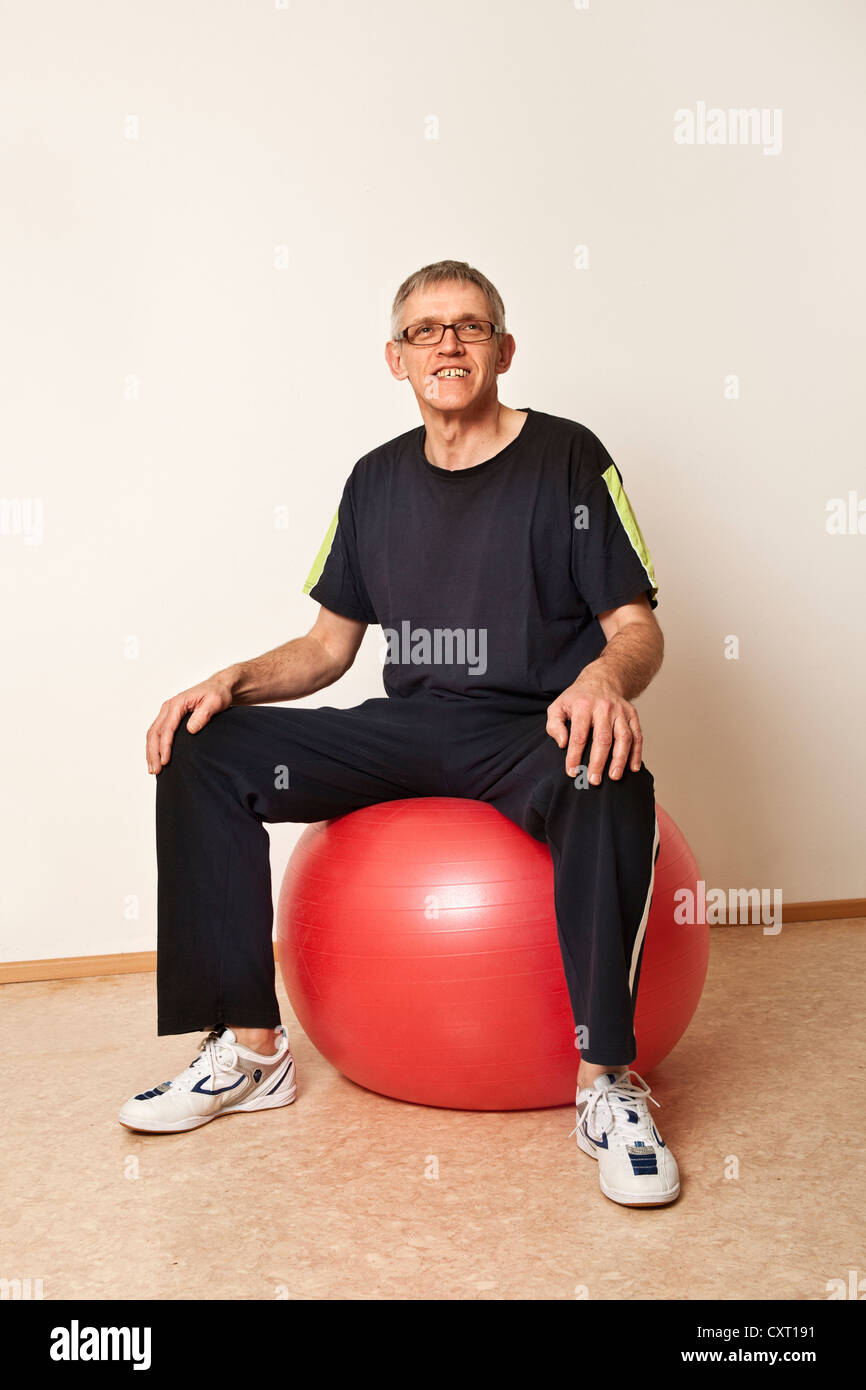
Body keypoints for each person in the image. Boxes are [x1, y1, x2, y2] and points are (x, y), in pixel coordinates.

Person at [120, 259, 678, 1209]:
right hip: (406, 729)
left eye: (469, 328)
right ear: (395, 358)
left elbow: (639, 629)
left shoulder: (572, 458)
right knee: (202, 751)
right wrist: (229, 682)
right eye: (426, 331)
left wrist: (600, 681)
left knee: (609, 776)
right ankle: (251, 1050)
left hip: (527, 730)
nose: (448, 344)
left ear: (504, 350)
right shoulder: (372, 481)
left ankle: (608, 1083)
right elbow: (326, 648)